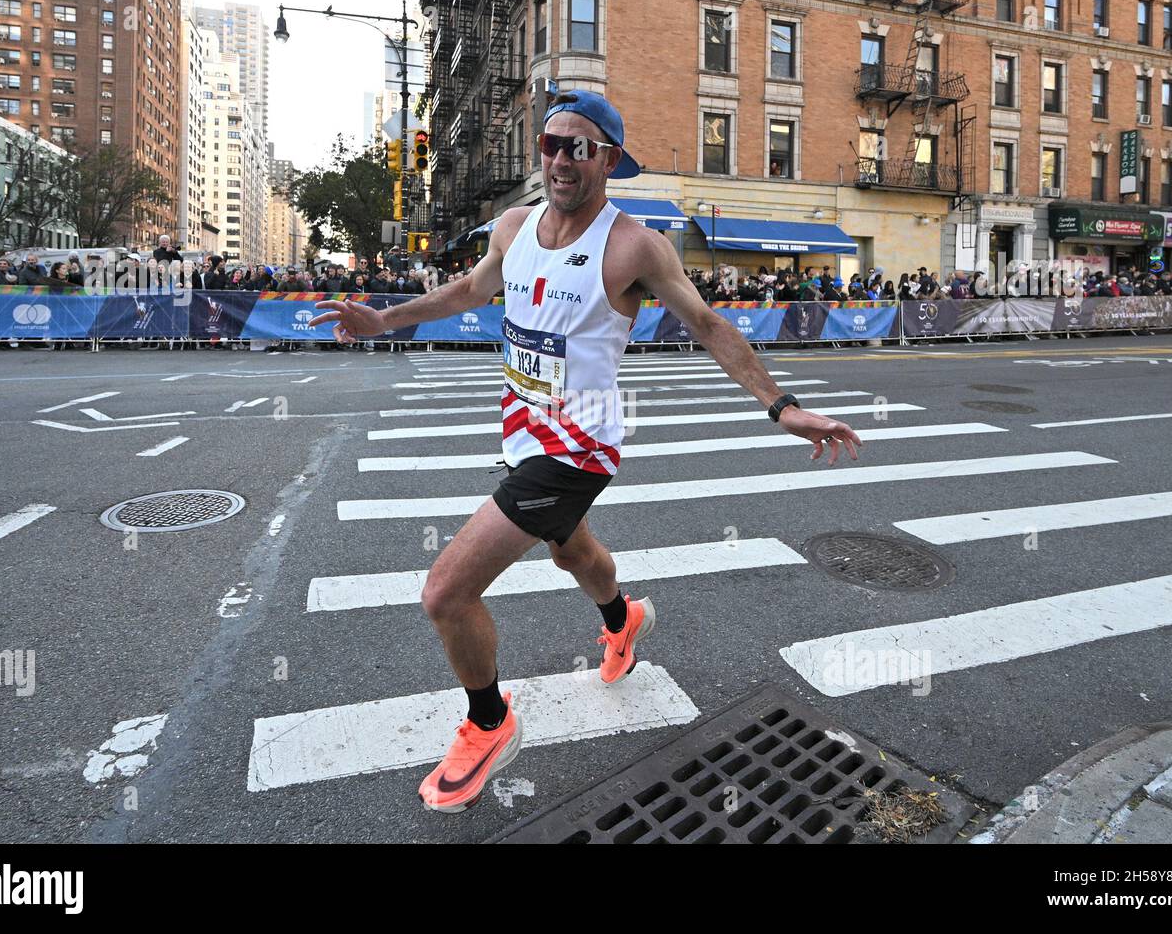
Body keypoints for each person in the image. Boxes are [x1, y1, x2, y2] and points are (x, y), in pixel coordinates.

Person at [308, 89, 864, 814]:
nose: (562, 159)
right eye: (551, 145)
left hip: (578, 446)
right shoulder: (512, 226)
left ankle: (489, 721)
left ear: (608, 158)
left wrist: (781, 406)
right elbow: (468, 291)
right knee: (570, 552)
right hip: (521, 430)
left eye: (579, 146)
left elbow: (706, 322)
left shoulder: (633, 244)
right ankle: (621, 620)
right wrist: (384, 318)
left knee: (446, 592)